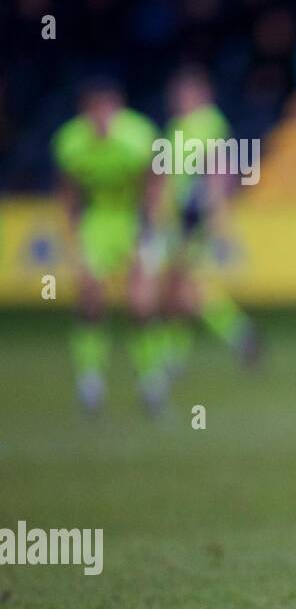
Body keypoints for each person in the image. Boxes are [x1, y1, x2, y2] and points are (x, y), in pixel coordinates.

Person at [51, 79, 168, 414]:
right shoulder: (69, 141)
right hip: (97, 222)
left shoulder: (139, 136)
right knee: (91, 299)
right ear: (85, 111)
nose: (102, 117)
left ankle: (151, 379)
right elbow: (68, 189)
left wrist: (150, 228)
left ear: (118, 109)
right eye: (95, 110)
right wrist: (71, 233)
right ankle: (90, 381)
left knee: (140, 303)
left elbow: (155, 183)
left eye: (108, 109)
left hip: (133, 220)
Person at [158, 66, 259, 376]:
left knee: (183, 287)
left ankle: (234, 334)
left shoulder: (209, 123)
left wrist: (217, 216)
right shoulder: (178, 126)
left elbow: (219, 170)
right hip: (177, 216)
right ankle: (233, 335)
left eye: (186, 94)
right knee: (181, 289)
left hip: (194, 216)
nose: (180, 99)